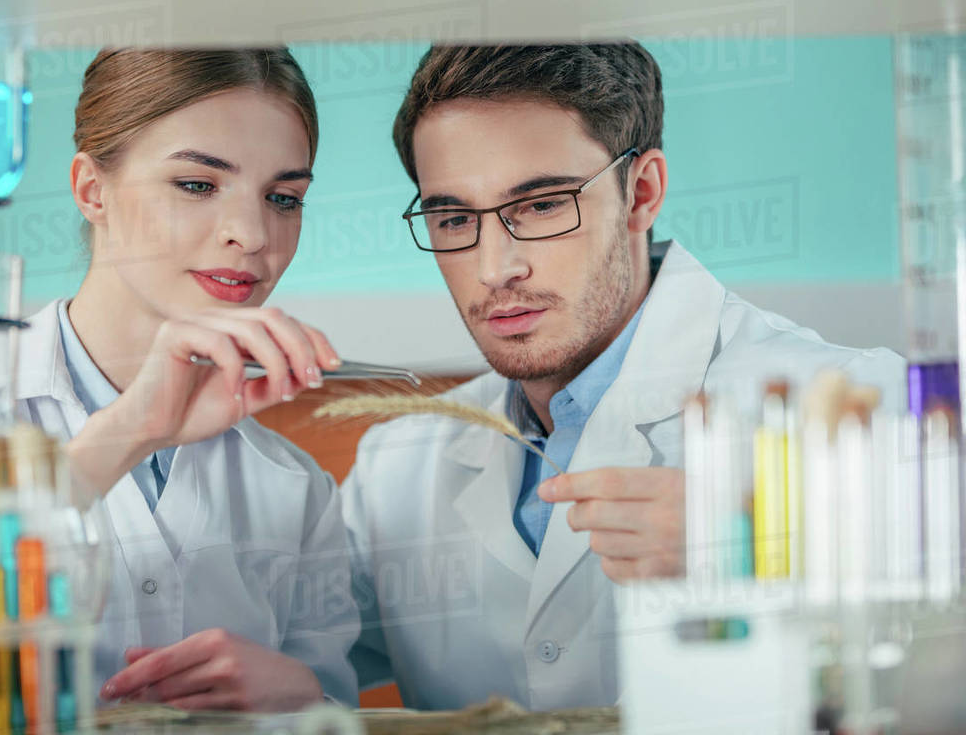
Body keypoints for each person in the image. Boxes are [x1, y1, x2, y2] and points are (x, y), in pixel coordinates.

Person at [0, 47, 359, 710]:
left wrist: (307, 696)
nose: (253, 233)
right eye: (197, 185)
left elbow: (335, 715)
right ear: (93, 191)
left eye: (283, 198)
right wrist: (122, 433)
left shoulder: (295, 488)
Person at [340, 43, 904, 710]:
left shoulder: (856, 404)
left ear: (642, 193)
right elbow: (283, 664)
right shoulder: (397, 465)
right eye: (455, 219)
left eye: (543, 204)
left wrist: (769, 553)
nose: (496, 268)